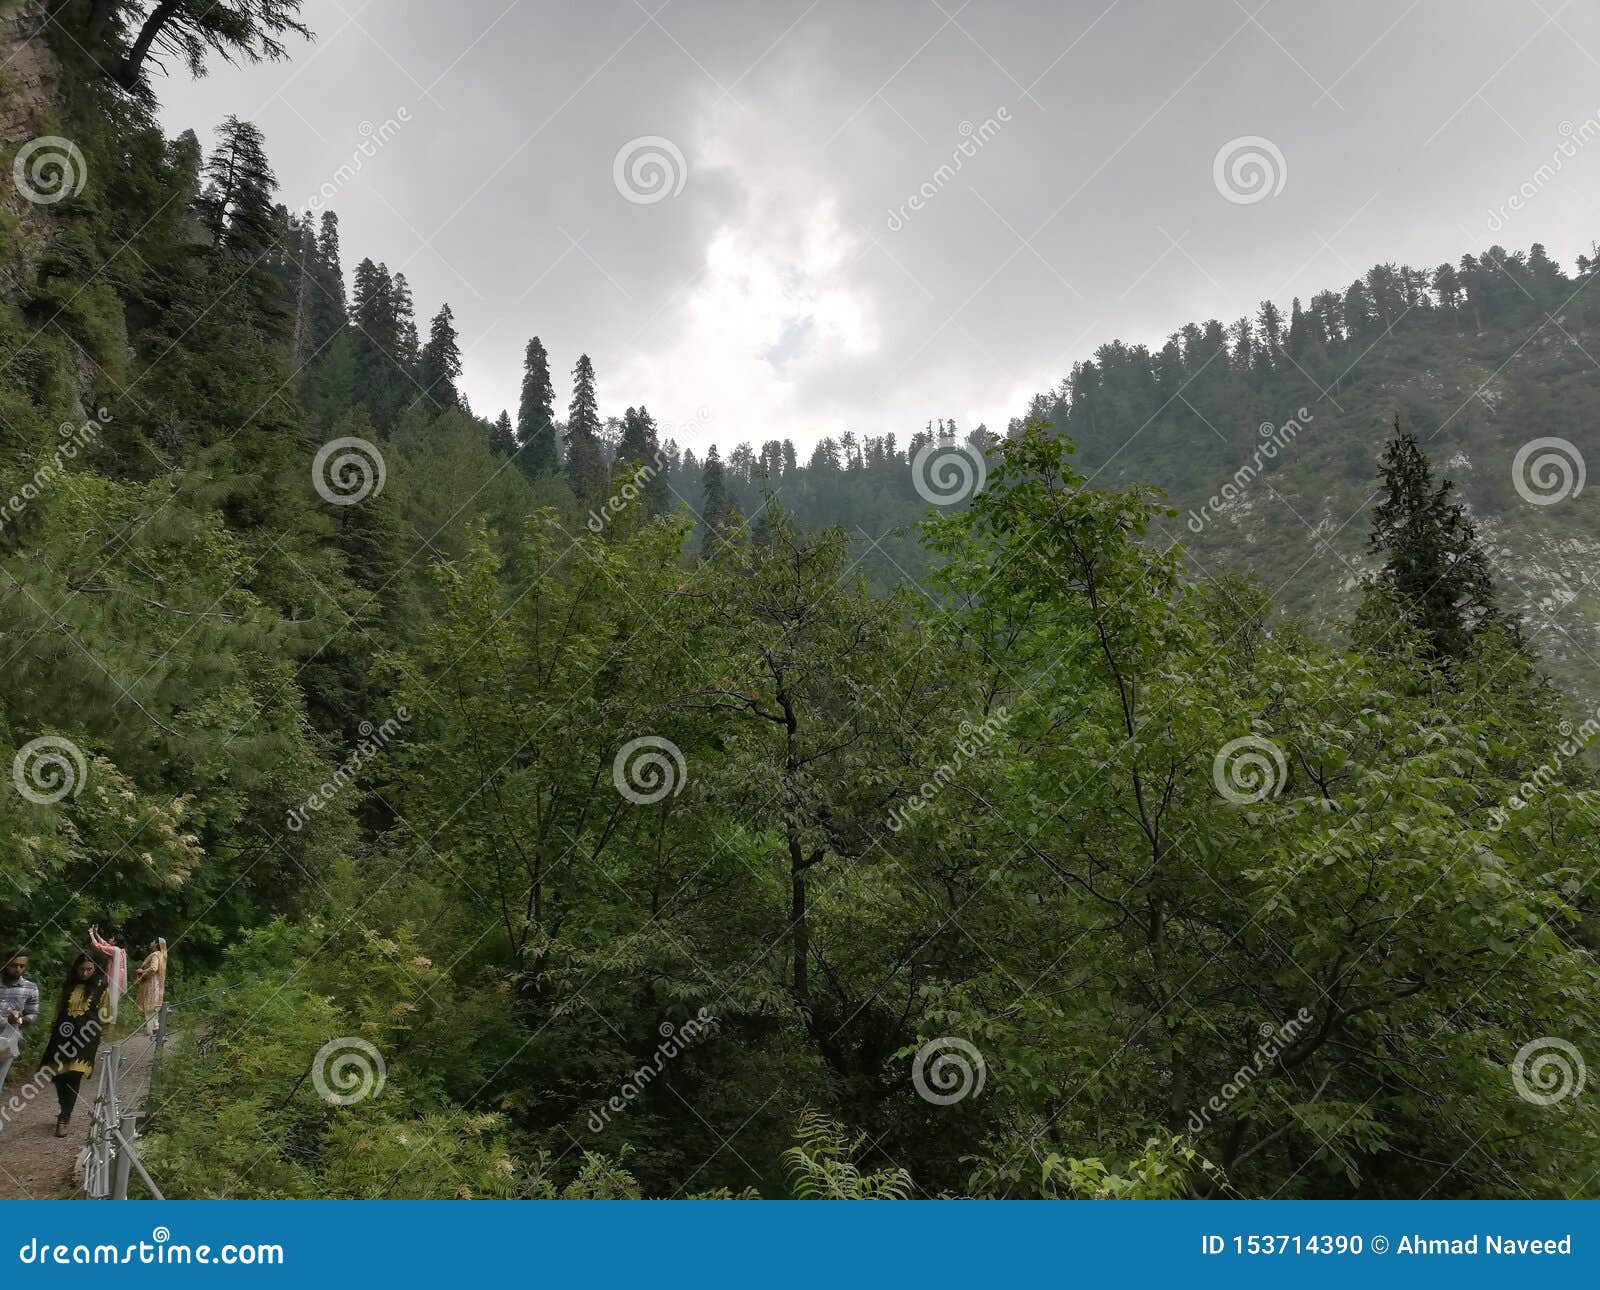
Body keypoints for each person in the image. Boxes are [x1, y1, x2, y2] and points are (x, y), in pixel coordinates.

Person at [41, 954, 111, 1137]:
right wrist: (54, 1027)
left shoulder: (102, 988)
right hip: (62, 1034)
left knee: (74, 1073)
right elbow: (58, 1009)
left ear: (95, 969)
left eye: (89, 969)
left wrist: (100, 1033)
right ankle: (64, 1109)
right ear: (76, 969)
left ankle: (64, 1117)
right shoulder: (68, 986)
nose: (85, 973)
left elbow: (105, 1013)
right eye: (82, 969)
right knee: (59, 1075)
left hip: (86, 1036)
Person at [0, 949, 40, 1099]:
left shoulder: (30, 987)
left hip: (8, 1040)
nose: (18, 969)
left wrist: (22, 1020)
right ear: (6, 964)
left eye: (22, 966)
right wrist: (7, 1020)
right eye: (14, 965)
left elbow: (33, 1013)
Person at [87, 926, 127, 1023]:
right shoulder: (120, 950)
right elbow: (105, 944)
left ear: (115, 942)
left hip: (114, 976)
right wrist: (96, 933)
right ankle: (107, 1016)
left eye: (112, 938)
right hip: (119, 976)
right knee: (111, 996)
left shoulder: (114, 950)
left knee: (108, 996)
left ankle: (106, 1017)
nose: (109, 939)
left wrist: (91, 934)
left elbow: (98, 946)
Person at [134, 938, 166, 1036]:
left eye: (152, 941)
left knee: (149, 1005)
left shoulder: (155, 955)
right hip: (157, 983)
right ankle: (155, 1026)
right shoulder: (161, 955)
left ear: (156, 944)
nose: (150, 943)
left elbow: (153, 968)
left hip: (152, 983)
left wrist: (142, 972)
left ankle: (151, 1029)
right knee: (154, 1005)